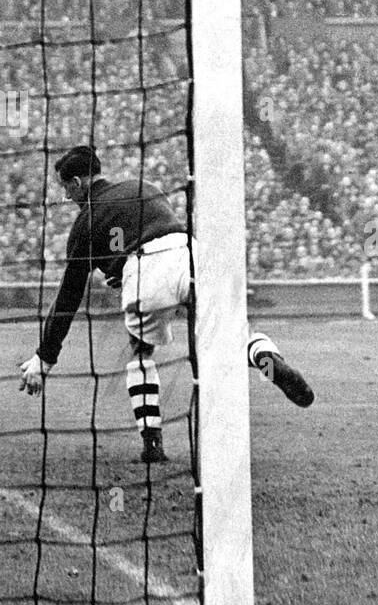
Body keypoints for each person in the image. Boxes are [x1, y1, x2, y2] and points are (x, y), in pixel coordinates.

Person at [18, 146, 314, 465]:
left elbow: (69, 296)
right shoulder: (146, 187)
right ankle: (269, 362)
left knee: (141, 352)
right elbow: (150, 230)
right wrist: (119, 265)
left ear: (76, 182)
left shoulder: (85, 220)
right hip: (191, 255)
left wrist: (45, 357)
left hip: (145, 273)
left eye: (66, 188)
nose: (67, 196)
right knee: (234, 336)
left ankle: (153, 442)